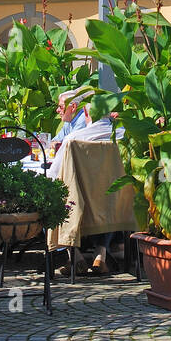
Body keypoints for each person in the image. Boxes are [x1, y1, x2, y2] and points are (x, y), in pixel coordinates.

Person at [49, 104, 122, 275]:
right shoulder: (122, 135)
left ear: (86, 113)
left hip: (78, 202)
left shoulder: (74, 139)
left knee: (52, 195)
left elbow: (54, 174)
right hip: (115, 201)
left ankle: (75, 257)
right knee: (104, 200)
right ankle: (100, 256)